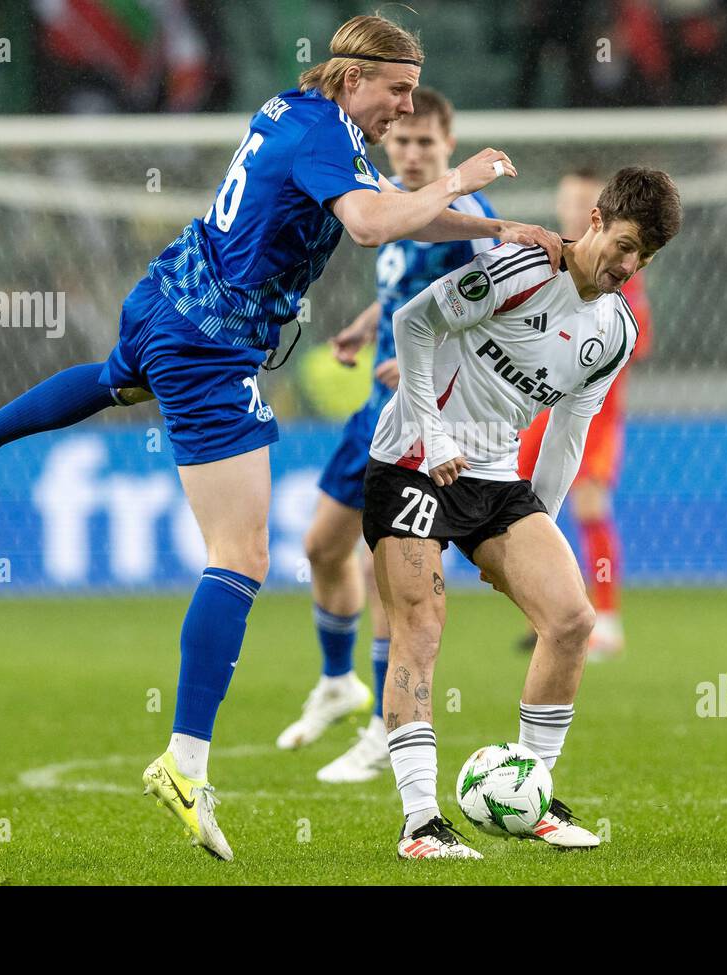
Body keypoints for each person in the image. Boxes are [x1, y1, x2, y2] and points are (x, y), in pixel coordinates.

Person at [0, 13, 560, 862]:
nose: (404, 107)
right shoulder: (327, 135)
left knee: (116, 376)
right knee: (242, 555)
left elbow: (394, 212)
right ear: (355, 74)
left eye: (412, 91)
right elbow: (370, 225)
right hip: (211, 343)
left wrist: (493, 227)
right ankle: (184, 760)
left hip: (169, 293)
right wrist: (461, 178)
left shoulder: (297, 112)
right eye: (396, 88)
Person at [361, 167, 681, 858]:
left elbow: (571, 431)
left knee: (571, 618)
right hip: (413, 459)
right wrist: (437, 433)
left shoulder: (614, 332)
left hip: (496, 478)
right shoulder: (522, 269)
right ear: (595, 219)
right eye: (624, 244)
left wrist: (541, 530)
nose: (628, 266)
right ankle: (420, 824)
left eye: (643, 258)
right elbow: (413, 322)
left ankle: (531, 790)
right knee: (421, 626)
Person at [276, 88, 500, 786]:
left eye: (425, 145)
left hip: (424, 417)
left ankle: (385, 728)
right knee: (321, 545)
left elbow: (499, 311)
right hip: (375, 406)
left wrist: (419, 356)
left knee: (390, 568)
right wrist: (369, 324)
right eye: (400, 142)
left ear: (448, 146)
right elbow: (409, 282)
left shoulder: (470, 218)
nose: (409, 153)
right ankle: (340, 681)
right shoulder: (391, 200)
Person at [516, 168, 653, 657]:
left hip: (593, 417)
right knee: (524, 506)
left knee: (589, 507)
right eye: (567, 200)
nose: (572, 210)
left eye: (582, 202)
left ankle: (608, 621)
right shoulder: (547, 265)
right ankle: (549, 612)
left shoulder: (620, 273)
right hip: (538, 408)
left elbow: (629, 348)